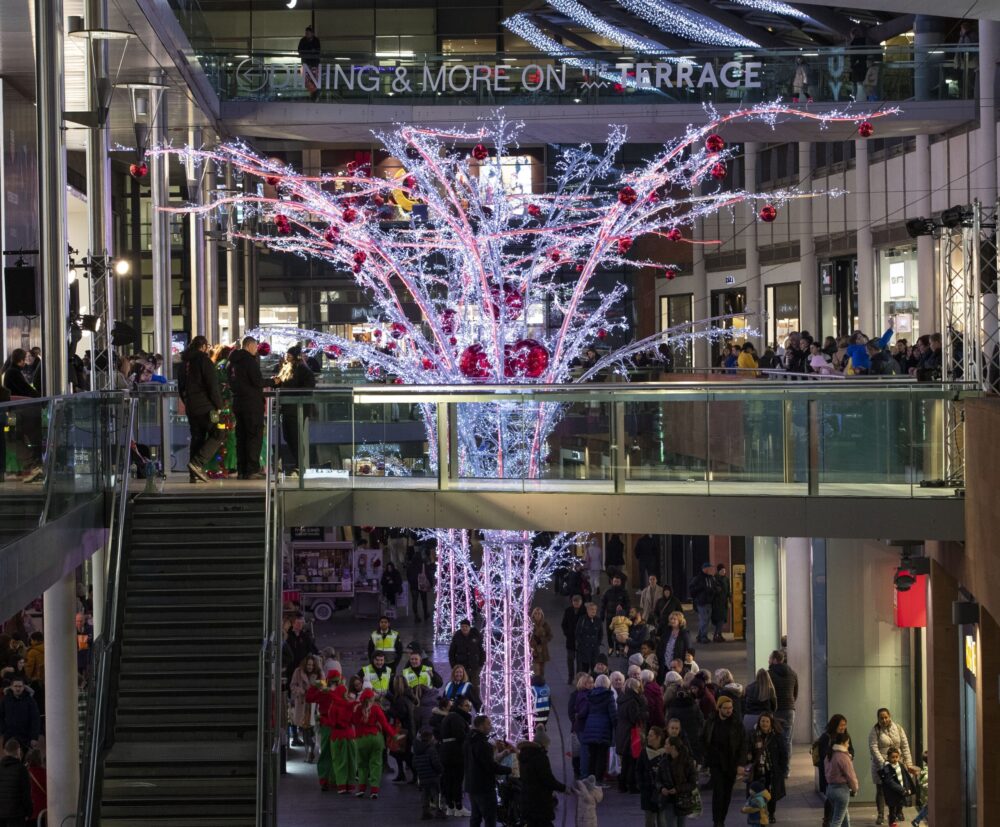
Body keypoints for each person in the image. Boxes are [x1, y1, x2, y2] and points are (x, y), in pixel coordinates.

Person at [179, 335, 224, 483]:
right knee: (218, 433)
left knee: (197, 437)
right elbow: (212, 386)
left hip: (191, 407)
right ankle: (197, 464)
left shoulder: (184, 363)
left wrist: (187, 402)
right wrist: (219, 406)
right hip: (206, 407)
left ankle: (193, 474)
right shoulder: (204, 361)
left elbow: (181, 387)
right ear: (204, 346)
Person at [227, 336, 269, 479]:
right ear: (250, 346)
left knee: (242, 436)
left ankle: (242, 469)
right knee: (253, 435)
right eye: (255, 347)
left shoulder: (232, 362)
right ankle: (252, 470)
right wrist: (274, 381)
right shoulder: (249, 361)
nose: (257, 350)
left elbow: (230, 381)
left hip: (238, 403)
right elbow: (257, 381)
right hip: (252, 404)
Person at [868, 708, 916, 825]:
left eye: (886, 717)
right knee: (881, 790)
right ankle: (880, 814)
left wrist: (908, 764)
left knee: (899, 788)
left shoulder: (898, 728)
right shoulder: (875, 731)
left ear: (890, 716)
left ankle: (899, 811)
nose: (884, 720)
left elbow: (905, 746)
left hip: (897, 763)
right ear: (878, 719)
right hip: (882, 765)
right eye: (881, 718)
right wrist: (883, 763)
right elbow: (873, 747)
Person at [702, 695, 745, 827]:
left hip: (731, 762)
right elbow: (703, 739)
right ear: (719, 708)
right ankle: (717, 821)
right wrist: (705, 758)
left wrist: (740, 764)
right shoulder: (711, 721)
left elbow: (743, 743)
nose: (729, 710)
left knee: (727, 794)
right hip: (716, 762)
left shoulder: (736, 722)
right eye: (725, 708)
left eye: (730, 708)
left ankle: (722, 819)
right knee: (718, 792)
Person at [464, 714, 512, 827]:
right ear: (481, 726)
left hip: (471, 785)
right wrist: (509, 770)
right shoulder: (482, 744)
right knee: (490, 818)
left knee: (475, 817)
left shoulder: (468, 740)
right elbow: (490, 766)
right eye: (488, 724)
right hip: (484, 787)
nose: (491, 726)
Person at [518, 727, 569, 827]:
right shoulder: (540, 757)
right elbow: (547, 779)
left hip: (527, 799)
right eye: (547, 745)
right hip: (540, 801)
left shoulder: (524, 755)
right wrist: (563, 788)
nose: (548, 748)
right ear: (543, 744)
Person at [353, 687, 397, 798]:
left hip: (361, 740)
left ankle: (362, 789)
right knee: (376, 764)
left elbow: (351, 721)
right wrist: (394, 735)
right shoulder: (377, 708)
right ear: (372, 698)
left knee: (362, 765)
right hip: (376, 739)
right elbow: (385, 724)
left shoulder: (357, 709)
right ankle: (374, 790)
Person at [745, 712, 788, 823]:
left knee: (771, 794)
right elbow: (747, 750)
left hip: (772, 770)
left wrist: (783, 770)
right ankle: (760, 814)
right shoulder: (753, 735)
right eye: (762, 721)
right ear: (759, 722)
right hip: (758, 771)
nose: (764, 723)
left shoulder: (776, 736)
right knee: (757, 793)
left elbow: (783, 753)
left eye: (767, 721)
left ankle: (771, 813)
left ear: (771, 723)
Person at [816, 714, 854, 827]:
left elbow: (852, 750)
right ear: (835, 725)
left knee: (843, 810)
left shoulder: (846, 736)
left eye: (845, 725)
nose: (843, 727)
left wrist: (849, 756)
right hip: (830, 776)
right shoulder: (826, 737)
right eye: (841, 725)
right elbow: (823, 756)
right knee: (837, 814)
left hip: (842, 778)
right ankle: (827, 819)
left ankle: (829, 820)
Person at [578, 673, 617, 781]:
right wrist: (616, 726)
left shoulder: (591, 695)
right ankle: (599, 780)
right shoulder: (609, 696)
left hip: (590, 728)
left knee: (592, 755)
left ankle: (591, 779)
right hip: (604, 729)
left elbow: (585, 712)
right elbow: (613, 714)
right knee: (602, 756)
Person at [614, 676, 649, 793]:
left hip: (622, 732)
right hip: (632, 733)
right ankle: (632, 785)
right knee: (633, 760)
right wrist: (645, 713)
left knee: (626, 761)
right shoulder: (633, 701)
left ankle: (622, 784)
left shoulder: (622, 698)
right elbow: (635, 718)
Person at [440, 696, 472, 815]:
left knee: (449, 779)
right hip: (455, 754)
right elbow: (461, 736)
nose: (469, 708)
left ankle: (450, 806)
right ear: (459, 706)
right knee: (457, 780)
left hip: (446, 752)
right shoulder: (457, 718)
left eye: (469, 705)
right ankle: (458, 807)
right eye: (466, 705)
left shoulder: (449, 717)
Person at [658, 735, 698, 827]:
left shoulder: (687, 762)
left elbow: (692, 783)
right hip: (668, 800)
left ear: (673, 747)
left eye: (666, 744)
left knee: (681, 824)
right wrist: (661, 788)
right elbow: (657, 780)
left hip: (682, 800)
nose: (664, 746)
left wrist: (678, 789)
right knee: (670, 824)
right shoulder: (663, 762)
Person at [767, 650, 798, 772]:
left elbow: (767, 692)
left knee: (773, 739)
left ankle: (775, 767)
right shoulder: (793, 673)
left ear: (775, 660)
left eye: (770, 658)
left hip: (775, 710)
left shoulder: (769, 674)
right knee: (787, 740)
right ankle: (786, 769)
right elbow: (795, 693)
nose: (768, 661)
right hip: (789, 710)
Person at [289, 654, 322, 761]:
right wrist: (301, 691)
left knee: (312, 730)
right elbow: (292, 686)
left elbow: (324, 687)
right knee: (304, 730)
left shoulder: (319, 673)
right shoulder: (298, 672)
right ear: (305, 664)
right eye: (308, 665)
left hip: (314, 705)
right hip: (303, 704)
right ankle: (308, 752)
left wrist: (316, 690)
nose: (310, 667)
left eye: (312, 665)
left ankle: (311, 752)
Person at [824, 731, 859, 827]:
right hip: (841, 791)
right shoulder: (843, 757)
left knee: (844, 817)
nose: (848, 745)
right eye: (847, 743)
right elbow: (850, 776)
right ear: (843, 743)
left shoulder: (829, 755)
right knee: (837, 821)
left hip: (830, 789)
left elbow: (826, 773)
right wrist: (855, 789)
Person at [414, 726, 447, 819]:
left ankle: (425, 812)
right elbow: (435, 762)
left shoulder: (417, 750)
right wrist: (440, 770)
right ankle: (439, 812)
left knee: (425, 794)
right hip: (433, 776)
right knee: (437, 794)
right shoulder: (431, 749)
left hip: (422, 776)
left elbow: (414, 763)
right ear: (430, 738)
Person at [638, 725, 669, 826]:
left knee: (662, 821)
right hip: (648, 792)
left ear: (658, 738)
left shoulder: (665, 753)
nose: (648, 737)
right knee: (649, 821)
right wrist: (642, 785)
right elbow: (638, 770)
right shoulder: (644, 753)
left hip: (662, 792)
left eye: (651, 736)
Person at [0, 678, 40, 752]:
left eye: (20, 686)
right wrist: (3, 730)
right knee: (9, 759)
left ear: (23, 687)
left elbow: (35, 719)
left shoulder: (30, 700)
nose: (18, 688)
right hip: (9, 736)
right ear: (11, 687)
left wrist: (34, 737)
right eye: (15, 686)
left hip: (25, 737)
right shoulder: (5, 699)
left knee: (24, 761)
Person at [878, 746, 916, 826]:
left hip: (900, 791)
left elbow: (905, 776)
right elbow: (890, 781)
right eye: (892, 757)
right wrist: (901, 789)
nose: (895, 759)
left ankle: (895, 818)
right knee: (892, 808)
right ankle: (892, 822)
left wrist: (906, 788)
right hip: (892, 793)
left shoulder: (900, 765)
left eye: (896, 757)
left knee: (899, 805)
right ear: (888, 757)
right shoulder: (887, 768)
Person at [0, 739, 31, 827]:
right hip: (16, 814)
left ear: (5, 751)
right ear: (18, 751)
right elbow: (26, 794)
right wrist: (28, 812)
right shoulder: (21, 769)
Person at [657, 612, 692, 683]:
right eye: (671, 619)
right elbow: (661, 645)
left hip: (677, 664)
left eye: (674, 619)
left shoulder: (684, 633)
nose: (672, 621)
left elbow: (689, 649)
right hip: (665, 663)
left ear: (680, 621)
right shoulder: (667, 631)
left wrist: (686, 663)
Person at [448, 618, 485, 686]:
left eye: (466, 626)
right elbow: (451, 652)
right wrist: (454, 665)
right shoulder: (457, 637)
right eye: (462, 627)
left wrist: (480, 663)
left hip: (474, 667)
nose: (464, 628)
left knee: (474, 686)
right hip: (461, 667)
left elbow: (482, 650)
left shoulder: (476, 636)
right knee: (462, 685)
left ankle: (474, 696)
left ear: (469, 627)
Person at [688, 562, 718, 644]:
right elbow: (691, 589)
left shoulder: (710, 578)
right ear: (705, 569)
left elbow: (714, 587)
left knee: (706, 620)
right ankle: (703, 636)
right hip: (701, 602)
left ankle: (701, 635)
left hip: (709, 602)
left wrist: (714, 591)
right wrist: (700, 589)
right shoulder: (698, 578)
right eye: (709, 568)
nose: (711, 569)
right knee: (704, 620)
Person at [742, 669, 777, 736]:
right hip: (765, 720)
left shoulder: (749, 687)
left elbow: (744, 703)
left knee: (749, 741)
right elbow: (774, 707)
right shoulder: (770, 689)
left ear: (757, 676)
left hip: (749, 718)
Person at [600, 575, 630, 647]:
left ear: (620, 582)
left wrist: (625, 612)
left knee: (619, 633)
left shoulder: (624, 592)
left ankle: (618, 648)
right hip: (610, 616)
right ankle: (610, 647)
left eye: (618, 581)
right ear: (612, 582)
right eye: (615, 581)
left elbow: (628, 604)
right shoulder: (607, 591)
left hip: (620, 617)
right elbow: (603, 603)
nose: (616, 583)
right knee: (609, 632)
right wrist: (602, 614)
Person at [561, 595, 585, 683]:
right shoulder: (568, 611)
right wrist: (567, 633)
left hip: (580, 639)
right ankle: (570, 676)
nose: (576, 603)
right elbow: (564, 624)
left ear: (581, 602)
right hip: (570, 639)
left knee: (579, 660)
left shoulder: (584, 611)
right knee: (570, 659)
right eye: (574, 602)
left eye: (578, 602)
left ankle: (578, 678)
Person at [575, 602, 603, 675]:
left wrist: (598, 643)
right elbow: (577, 633)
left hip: (594, 649)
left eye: (594, 609)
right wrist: (581, 643)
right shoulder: (582, 619)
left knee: (595, 669)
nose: (593, 611)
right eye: (591, 609)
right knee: (584, 669)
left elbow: (600, 633)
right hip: (584, 648)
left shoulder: (598, 620)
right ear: (587, 610)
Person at [407, 547, 431, 623]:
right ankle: (425, 614)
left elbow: (408, 575)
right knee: (424, 600)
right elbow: (428, 574)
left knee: (414, 601)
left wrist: (411, 582)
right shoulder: (423, 565)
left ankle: (416, 615)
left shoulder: (410, 566)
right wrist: (431, 583)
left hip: (413, 586)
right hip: (422, 584)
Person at [297, 25, 322, 100]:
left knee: (313, 79)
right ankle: (314, 93)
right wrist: (310, 51)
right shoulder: (303, 40)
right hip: (306, 63)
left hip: (313, 63)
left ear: (312, 33)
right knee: (309, 79)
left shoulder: (316, 40)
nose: (307, 34)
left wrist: (308, 52)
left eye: (308, 33)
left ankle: (314, 93)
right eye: (306, 33)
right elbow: (300, 50)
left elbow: (318, 51)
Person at [529, 607, 553, 678]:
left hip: (543, 650)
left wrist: (542, 640)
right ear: (533, 615)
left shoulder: (545, 624)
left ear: (542, 615)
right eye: (535, 614)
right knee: (536, 669)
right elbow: (527, 637)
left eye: (539, 614)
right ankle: (536, 682)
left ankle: (541, 682)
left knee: (542, 669)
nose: (537, 615)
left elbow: (550, 636)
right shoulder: (530, 625)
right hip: (534, 650)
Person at [711, 565, 731, 642]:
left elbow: (728, 590)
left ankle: (719, 634)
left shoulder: (726, 579)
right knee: (720, 619)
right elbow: (713, 590)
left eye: (724, 570)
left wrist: (729, 598)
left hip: (724, 602)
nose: (723, 572)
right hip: (717, 603)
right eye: (722, 570)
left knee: (722, 619)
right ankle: (716, 635)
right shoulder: (715, 578)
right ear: (718, 571)